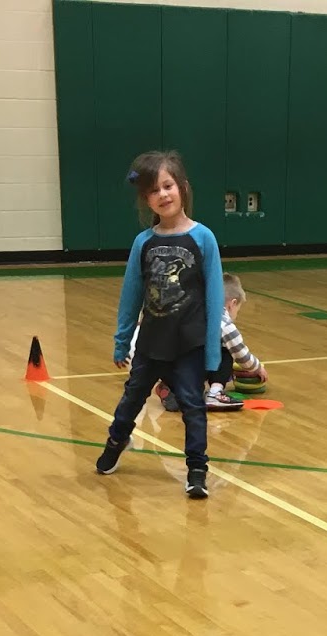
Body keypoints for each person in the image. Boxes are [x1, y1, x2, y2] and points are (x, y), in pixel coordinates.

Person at [95, 150, 224, 499]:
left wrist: (213, 356)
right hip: (152, 343)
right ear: (146, 199)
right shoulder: (144, 242)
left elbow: (214, 300)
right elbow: (131, 296)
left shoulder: (203, 239)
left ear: (182, 188)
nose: (163, 195)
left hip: (189, 344)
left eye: (168, 186)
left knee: (193, 407)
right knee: (131, 399)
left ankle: (197, 469)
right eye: (154, 190)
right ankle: (117, 440)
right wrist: (122, 341)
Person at [156, 272, 267, 414]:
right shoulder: (224, 323)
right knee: (226, 351)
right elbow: (243, 357)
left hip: (166, 366)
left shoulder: (189, 309)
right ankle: (215, 393)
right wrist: (258, 368)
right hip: (192, 368)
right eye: (237, 310)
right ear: (232, 304)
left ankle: (172, 388)